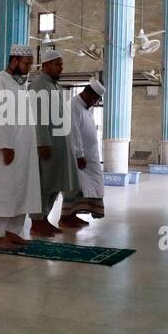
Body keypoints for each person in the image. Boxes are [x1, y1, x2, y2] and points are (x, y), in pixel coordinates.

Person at [0, 45, 42, 249]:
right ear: (14, 60)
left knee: (20, 190)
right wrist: (5, 145)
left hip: (23, 149)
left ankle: (12, 231)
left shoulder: (18, 84)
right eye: (26, 64)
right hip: (6, 149)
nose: (28, 68)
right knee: (3, 191)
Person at [28, 45, 79, 236]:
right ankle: (36, 221)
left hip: (58, 146)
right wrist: (42, 142)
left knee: (54, 185)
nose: (61, 68)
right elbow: (38, 117)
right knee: (43, 184)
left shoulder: (53, 85)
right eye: (58, 64)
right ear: (47, 65)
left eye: (61, 64)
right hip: (46, 146)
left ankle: (45, 219)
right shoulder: (38, 85)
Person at [65, 79, 105, 222]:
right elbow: (73, 131)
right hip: (79, 158)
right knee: (75, 187)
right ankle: (66, 217)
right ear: (88, 93)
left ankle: (73, 215)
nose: (94, 103)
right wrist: (79, 154)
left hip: (89, 158)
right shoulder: (73, 106)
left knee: (90, 186)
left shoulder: (84, 108)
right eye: (94, 99)